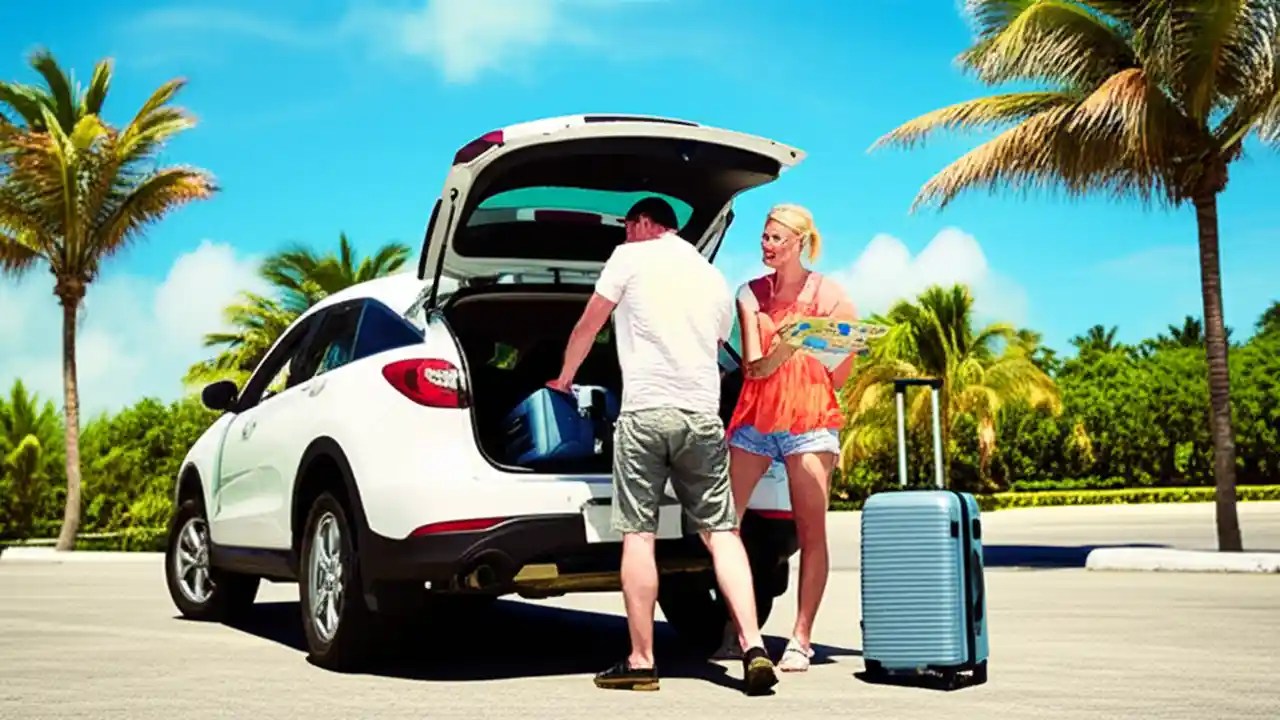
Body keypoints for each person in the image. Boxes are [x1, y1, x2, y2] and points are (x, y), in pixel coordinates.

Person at [549, 197, 779, 696]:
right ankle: (753, 647)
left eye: (626, 227)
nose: (624, 235)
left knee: (639, 534)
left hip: (646, 414)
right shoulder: (712, 277)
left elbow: (590, 323)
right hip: (701, 415)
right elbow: (719, 350)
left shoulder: (630, 256)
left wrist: (564, 378)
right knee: (722, 532)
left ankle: (640, 660)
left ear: (643, 224)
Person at [713, 203, 857, 672]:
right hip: (754, 421)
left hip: (810, 422)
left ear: (799, 242)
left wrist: (807, 369)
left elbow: (844, 368)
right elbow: (754, 366)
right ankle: (742, 632)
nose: (767, 245)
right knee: (720, 525)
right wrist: (789, 345)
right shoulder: (749, 294)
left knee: (811, 531)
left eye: (776, 238)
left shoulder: (831, 293)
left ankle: (801, 639)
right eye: (764, 237)